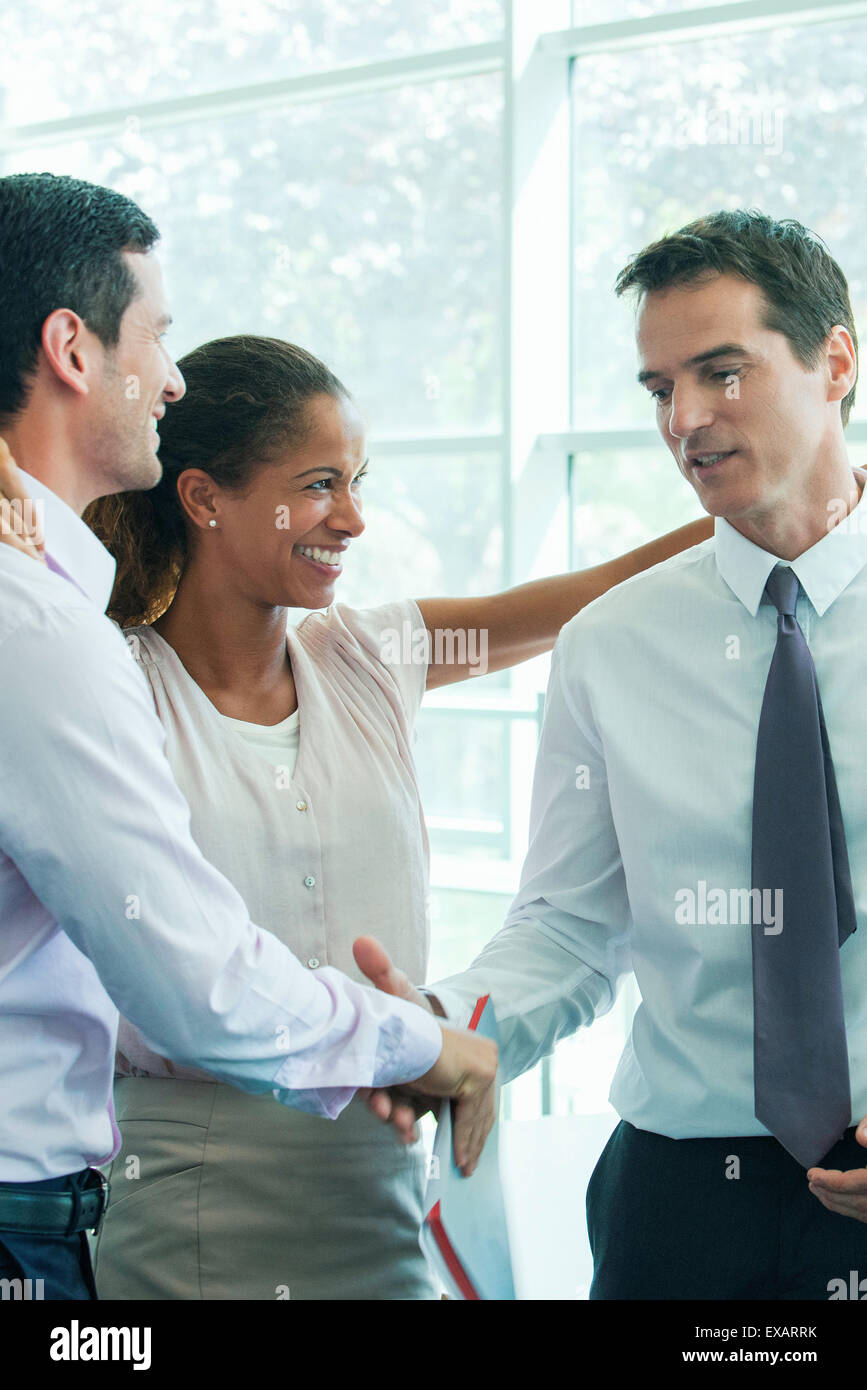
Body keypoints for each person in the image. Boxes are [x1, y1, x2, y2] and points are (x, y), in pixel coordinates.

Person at [33, 320, 705, 1301]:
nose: (352, 518)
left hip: (391, 1185)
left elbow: (598, 593)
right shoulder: (112, 688)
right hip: (194, 1210)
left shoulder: (376, 657)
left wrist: (804, 502)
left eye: (358, 482)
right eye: (318, 484)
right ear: (204, 497)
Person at [0, 171, 497, 1303]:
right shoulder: (43, 632)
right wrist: (426, 1042)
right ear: (73, 351)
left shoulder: (41, 604)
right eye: (157, 337)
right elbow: (200, 982)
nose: (172, 377)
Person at [360, 209, 867, 1300]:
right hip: (679, 1211)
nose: (686, 418)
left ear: (837, 358)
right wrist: (449, 1024)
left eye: (721, 373)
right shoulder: (610, 647)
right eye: (658, 389)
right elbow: (572, 929)